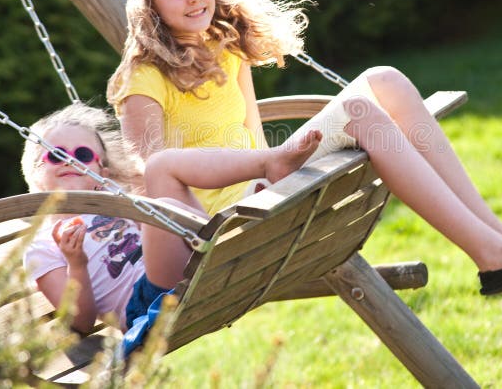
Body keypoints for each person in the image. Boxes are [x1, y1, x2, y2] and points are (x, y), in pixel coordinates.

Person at [106, 0, 502, 298]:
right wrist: (243, 198)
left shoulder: (223, 46)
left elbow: (251, 133)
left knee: (385, 80)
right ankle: (490, 253)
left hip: (258, 189)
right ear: (150, 5)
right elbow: (154, 182)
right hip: (212, 228)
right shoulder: (143, 79)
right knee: (359, 112)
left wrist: (270, 174)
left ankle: (501, 238)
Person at [21, 103, 323, 355]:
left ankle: (268, 165)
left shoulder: (113, 200)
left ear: (103, 172)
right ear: (34, 173)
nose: (70, 161)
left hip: (177, 269)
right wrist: (76, 262)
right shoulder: (43, 247)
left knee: (160, 166)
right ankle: (233, 232)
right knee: (161, 209)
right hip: (146, 304)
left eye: (83, 155)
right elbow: (81, 323)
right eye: (56, 154)